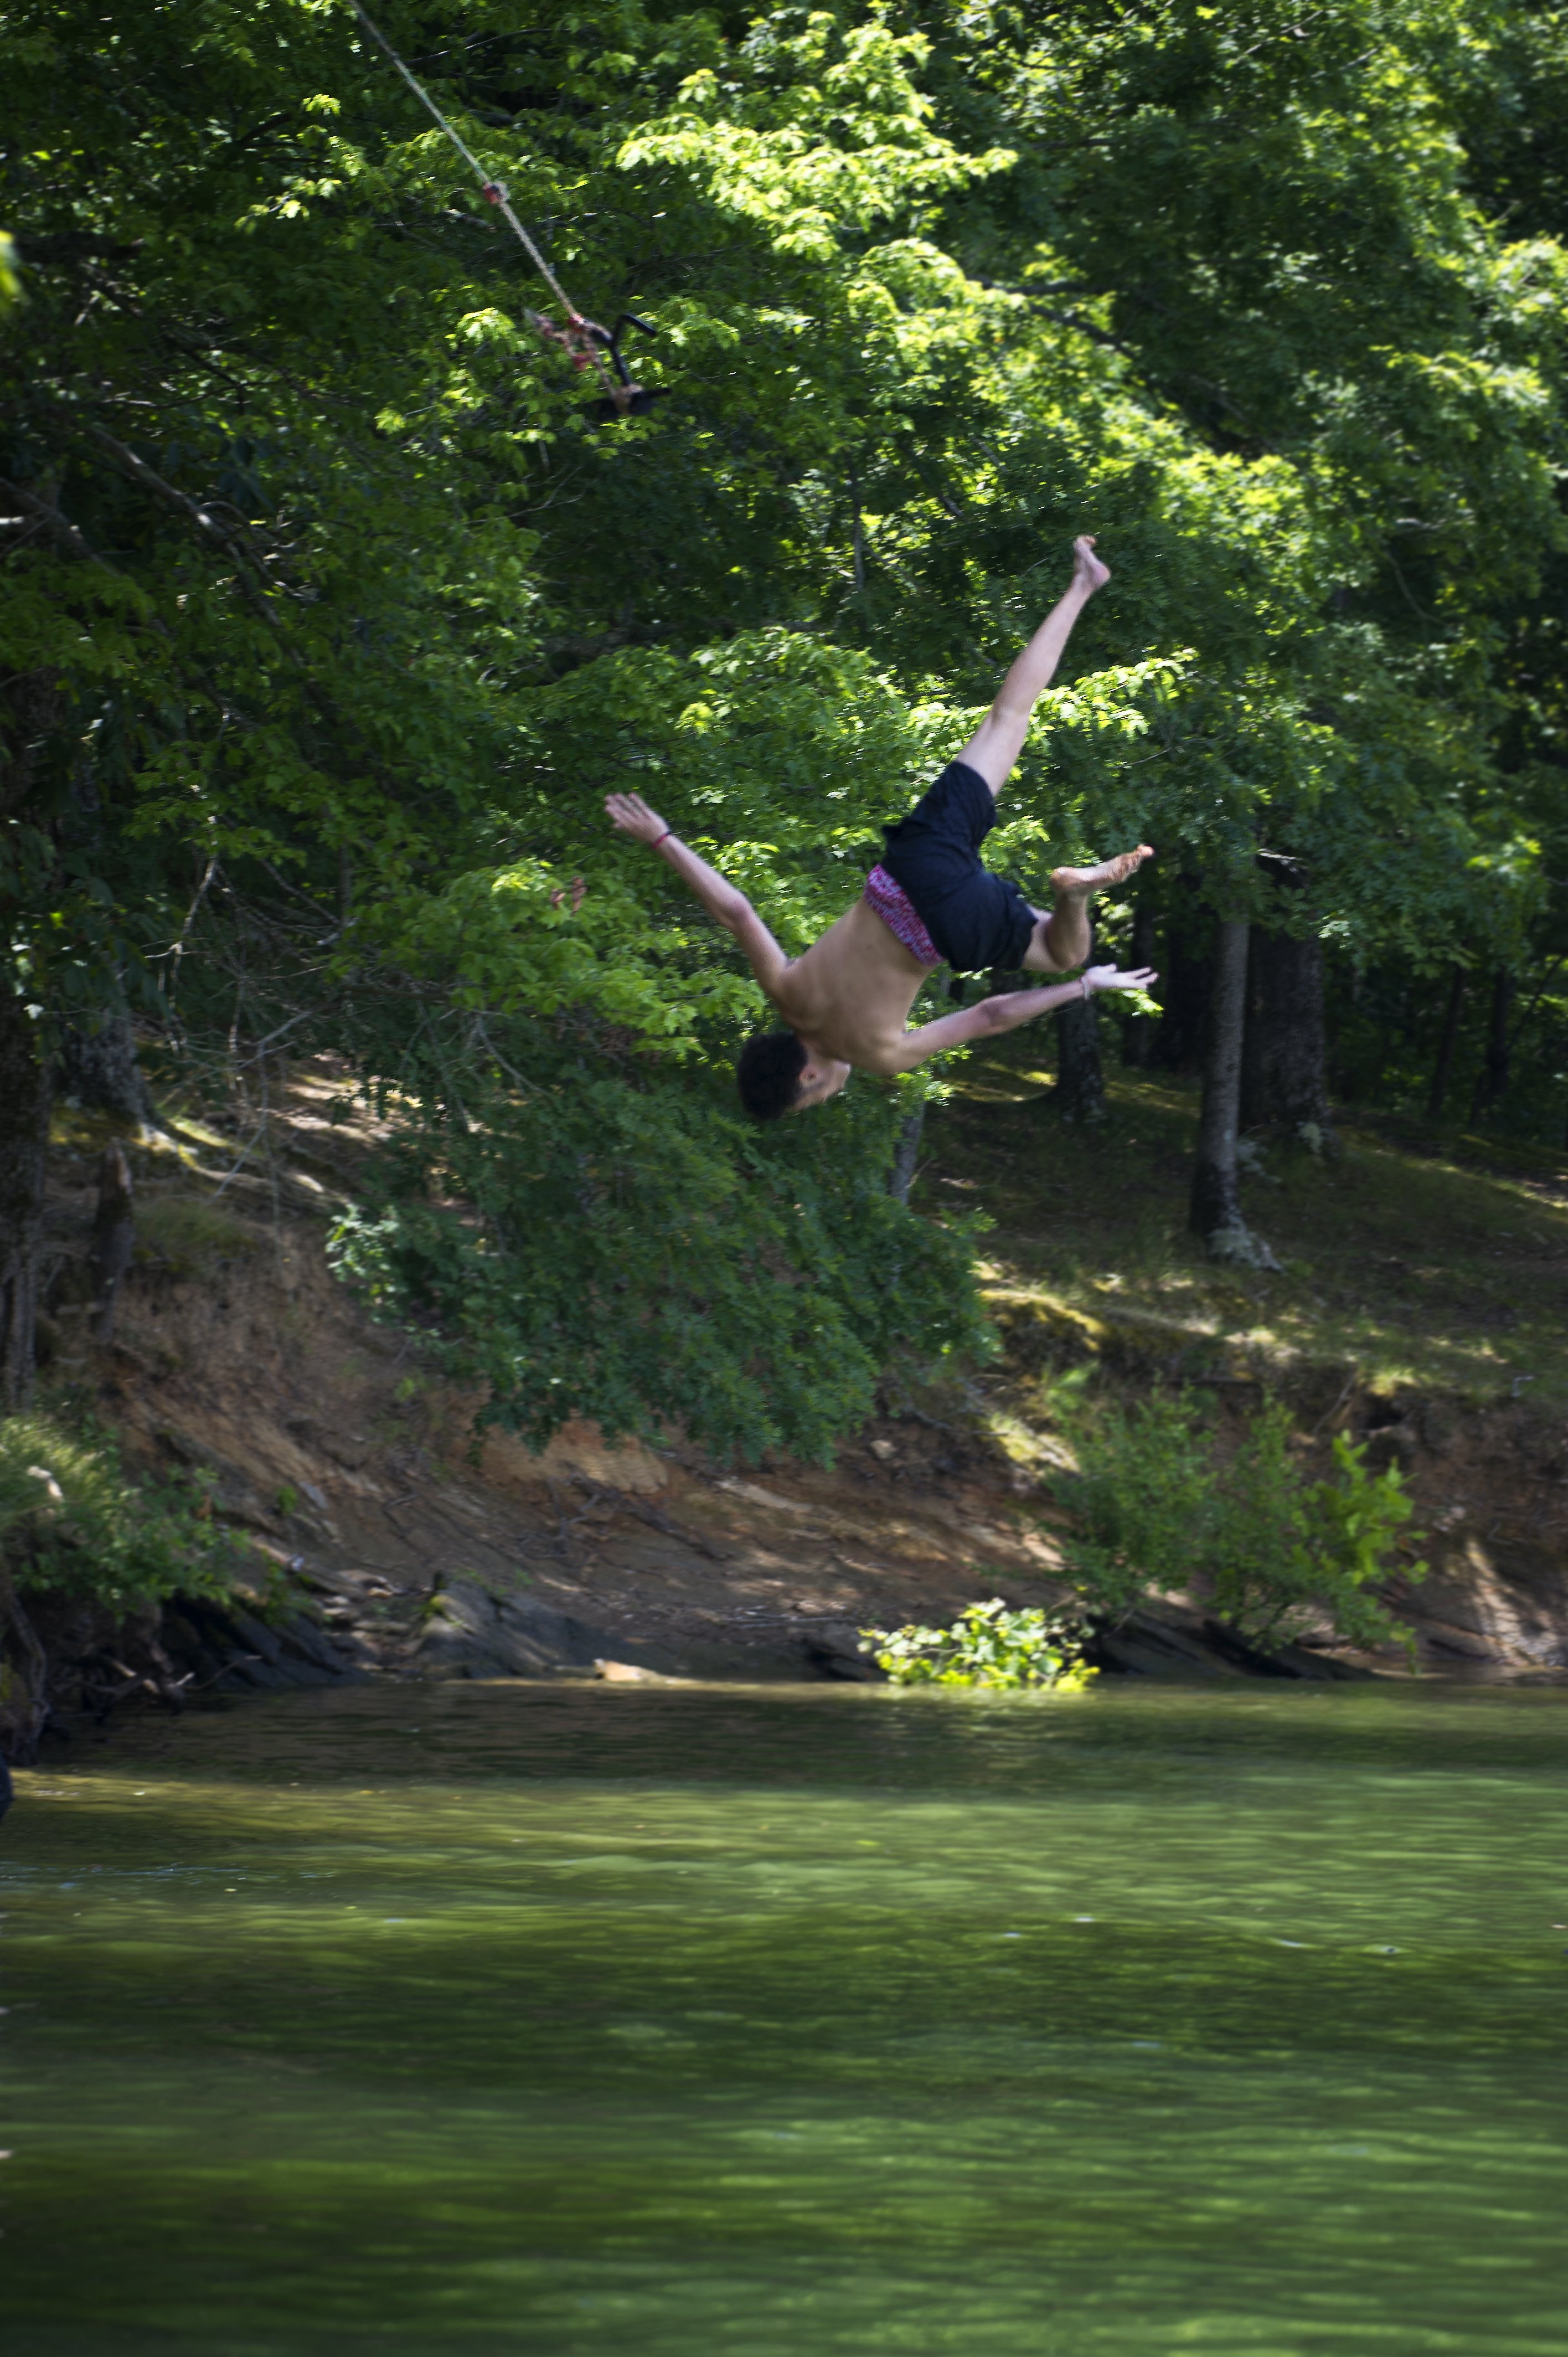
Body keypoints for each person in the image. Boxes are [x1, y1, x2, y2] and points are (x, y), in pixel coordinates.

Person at [606, 536, 1156, 1118]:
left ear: (808, 1074)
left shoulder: (878, 1055)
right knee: (1006, 718)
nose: (828, 1095)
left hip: (950, 922)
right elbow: (737, 910)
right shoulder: (783, 990)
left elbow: (989, 1016)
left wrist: (1086, 987)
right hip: (910, 867)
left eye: (812, 1099)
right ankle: (1082, 583)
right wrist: (662, 838)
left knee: (1064, 953)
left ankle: (1072, 894)